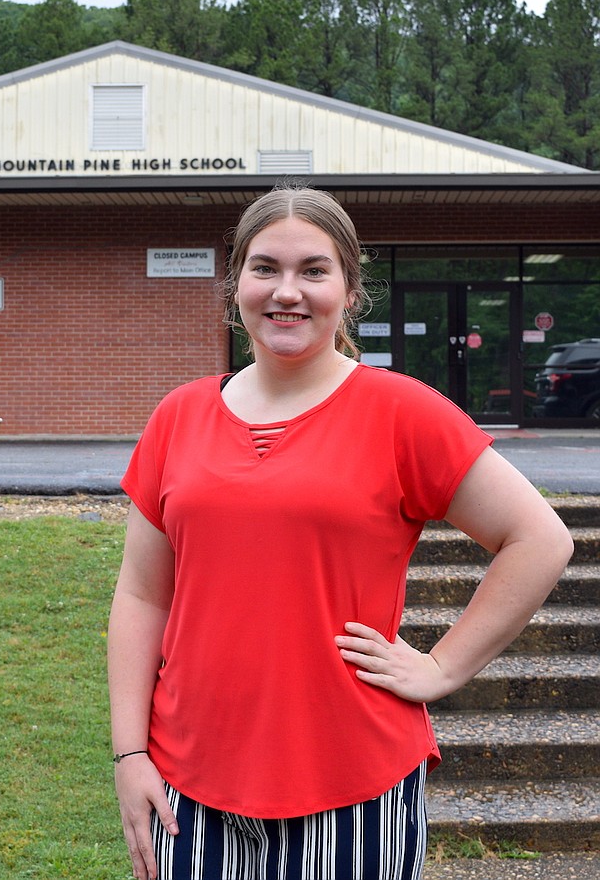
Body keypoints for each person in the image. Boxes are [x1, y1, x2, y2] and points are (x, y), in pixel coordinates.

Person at [107, 186, 573, 880]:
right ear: (236, 283)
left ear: (350, 291)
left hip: (351, 784)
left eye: (313, 271)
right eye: (265, 268)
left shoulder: (400, 412)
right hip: (189, 783)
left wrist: (443, 667)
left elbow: (540, 538)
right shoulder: (180, 416)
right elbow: (144, 596)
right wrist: (130, 754)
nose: (286, 291)